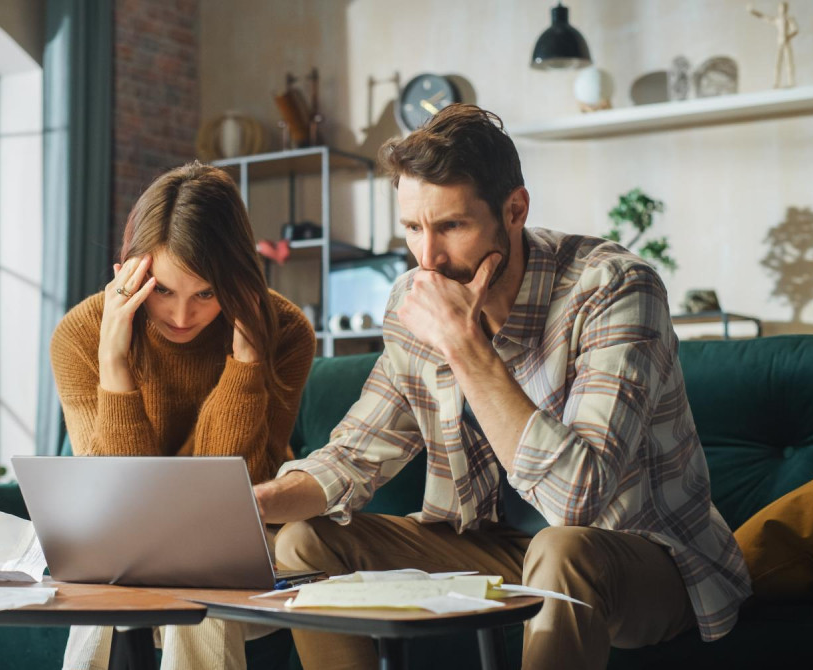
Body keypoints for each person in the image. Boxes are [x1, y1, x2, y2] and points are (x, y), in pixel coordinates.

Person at [253, 104, 752, 670]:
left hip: (641, 557)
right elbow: (353, 457)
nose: (428, 259)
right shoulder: (414, 301)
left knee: (560, 550)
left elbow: (575, 503)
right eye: (413, 228)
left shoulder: (613, 288)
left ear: (515, 209)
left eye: (452, 226)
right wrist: (253, 505)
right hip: (494, 549)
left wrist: (465, 347)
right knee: (303, 542)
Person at [51, 161, 316, 670]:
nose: (180, 317)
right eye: (163, 291)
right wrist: (114, 363)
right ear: (128, 276)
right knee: (106, 566)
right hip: (126, 536)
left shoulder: (284, 330)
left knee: (206, 554)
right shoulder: (79, 336)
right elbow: (116, 493)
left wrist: (246, 364)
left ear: (237, 281)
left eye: (206, 294)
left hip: (245, 530)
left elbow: (232, 489)